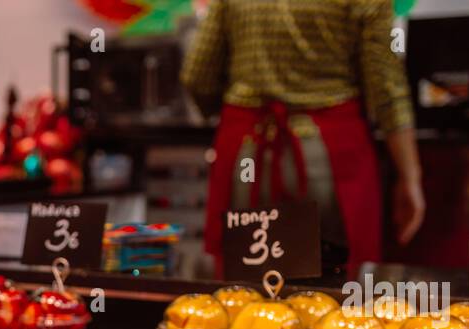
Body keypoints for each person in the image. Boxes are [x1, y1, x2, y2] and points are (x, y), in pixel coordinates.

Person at [182, 0, 425, 277]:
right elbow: (387, 89)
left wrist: (217, 108)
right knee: (337, 290)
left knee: (245, 287)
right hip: (331, 158)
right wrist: (410, 176)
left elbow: (197, 76)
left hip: (248, 158)